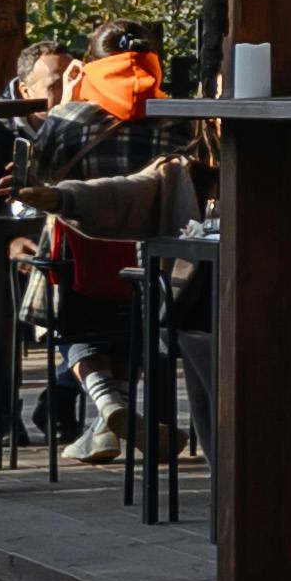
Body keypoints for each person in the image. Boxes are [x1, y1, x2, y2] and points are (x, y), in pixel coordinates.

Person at [21, 26, 173, 462]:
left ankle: (107, 406)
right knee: (135, 325)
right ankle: (105, 422)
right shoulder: (180, 114)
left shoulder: (70, 118)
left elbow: (39, 180)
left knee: (73, 322)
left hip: (81, 260)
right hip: (153, 265)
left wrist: (64, 105)